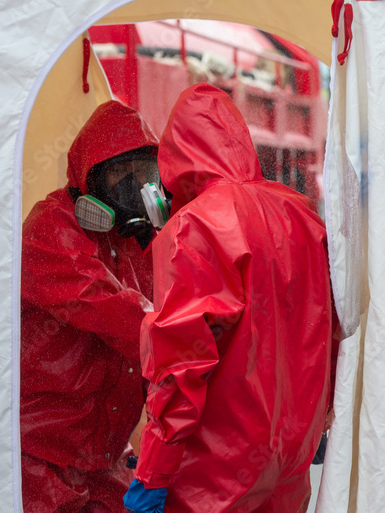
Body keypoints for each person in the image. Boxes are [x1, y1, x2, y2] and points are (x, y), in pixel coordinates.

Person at [125, 84, 337, 513]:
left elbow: (180, 366)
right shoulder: (301, 215)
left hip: (214, 478)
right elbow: (327, 333)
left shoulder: (193, 228)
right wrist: (319, 424)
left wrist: (153, 473)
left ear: (177, 154)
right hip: (288, 467)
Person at [21, 101, 161, 512]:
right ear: (89, 178)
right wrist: (195, 344)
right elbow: (113, 310)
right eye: (119, 174)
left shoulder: (132, 241)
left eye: (143, 173)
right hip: (41, 458)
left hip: (105, 459)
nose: (133, 187)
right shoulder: (51, 229)